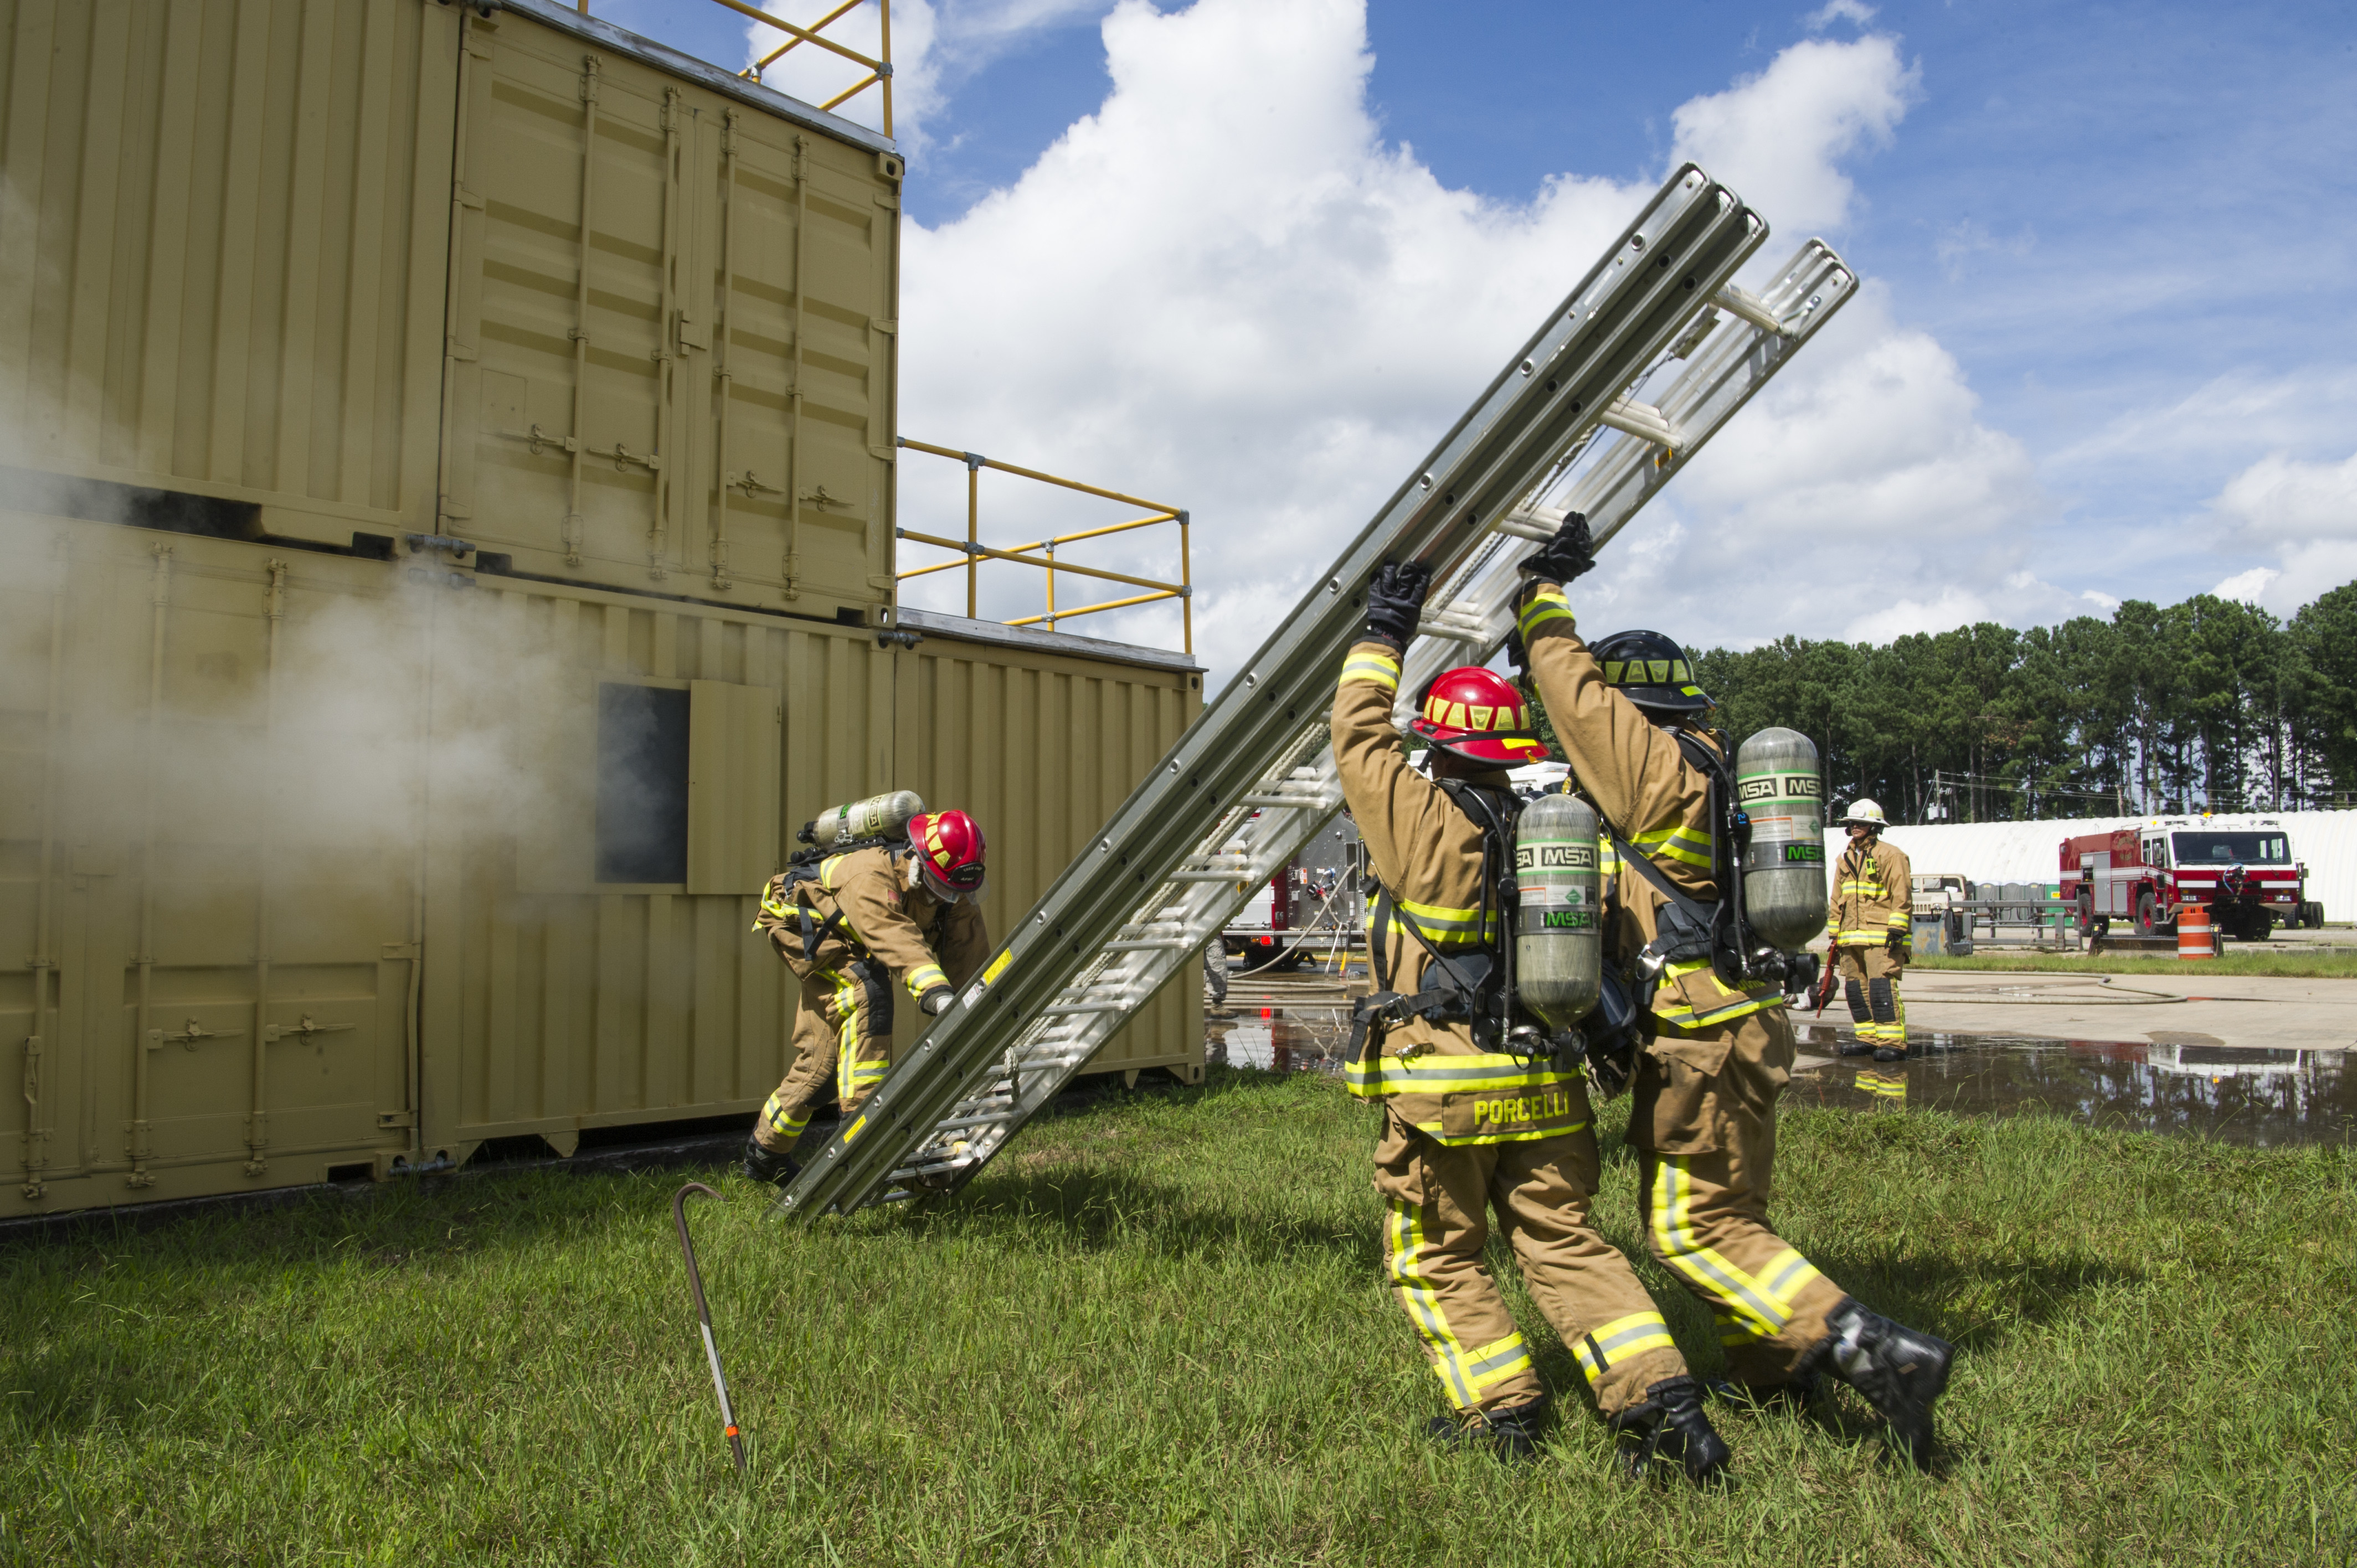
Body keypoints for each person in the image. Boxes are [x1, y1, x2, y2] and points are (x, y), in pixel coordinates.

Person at [1507, 513, 1954, 1468]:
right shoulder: (1720, 775)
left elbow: (1579, 700)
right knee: (1734, 1212)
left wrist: (1540, 599)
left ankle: (1879, 1352)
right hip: (1748, 1023)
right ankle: (1771, 1369)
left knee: (1688, 1224)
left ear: (1636, 716)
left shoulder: (1653, 775)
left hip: (1699, 1033)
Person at [1333, 565, 1732, 1483]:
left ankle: (1499, 1409)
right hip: (1549, 1081)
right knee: (1563, 1242)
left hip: (1445, 1091)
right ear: (1514, 754)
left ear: (1433, 751)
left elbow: (1357, 736)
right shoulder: (1556, 835)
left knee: (1433, 1251)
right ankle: (1665, 1410)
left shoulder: (1417, 818)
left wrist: (1383, 632)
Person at [741, 809, 991, 1185]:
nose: (953, 898)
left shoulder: (949, 882)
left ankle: (765, 1155)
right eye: (945, 889)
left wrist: (980, 1010)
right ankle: (864, 1135)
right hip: (803, 922)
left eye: (959, 890)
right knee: (867, 992)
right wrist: (937, 994)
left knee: (823, 1065)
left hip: (854, 935)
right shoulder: (868, 875)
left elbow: (966, 950)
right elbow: (891, 935)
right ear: (919, 865)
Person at [1830, 801, 1912, 1061]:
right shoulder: (1844, 859)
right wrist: (1835, 934)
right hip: (1850, 937)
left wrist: (1898, 928)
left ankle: (1892, 1043)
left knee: (1881, 989)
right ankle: (1867, 1039)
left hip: (1881, 938)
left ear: (1875, 827)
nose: (1855, 827)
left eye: (1861, 823)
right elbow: (1836, 898)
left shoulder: (1891, 856)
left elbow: (1902, 895)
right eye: (1852, 823)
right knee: (1856, 991)